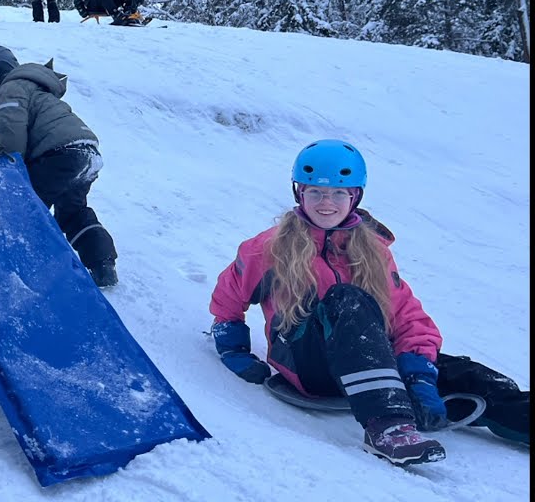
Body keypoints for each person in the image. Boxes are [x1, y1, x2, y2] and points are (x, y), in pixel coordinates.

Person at [209, 139, 532, 465]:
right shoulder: (267, 248)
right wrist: (232, 348)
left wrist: (420, 376)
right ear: (299, 193)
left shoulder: (372, 250)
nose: (326, 203)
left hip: (368, 359)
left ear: (355, 196)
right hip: (308, 362)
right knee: (346, 301)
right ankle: (389, 426)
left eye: (339, 193)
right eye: (315, 192)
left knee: (464, 375)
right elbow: (228, 296)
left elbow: (406, 315)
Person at [0, 45, 118, 288]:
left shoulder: (10, 89)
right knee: (73, 212)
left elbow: (12, 135)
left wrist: (6, 163)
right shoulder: (31, 87)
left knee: (24, 209)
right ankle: (102, 264)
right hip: (85, 153)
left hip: (59, 154)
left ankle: (26, 270)